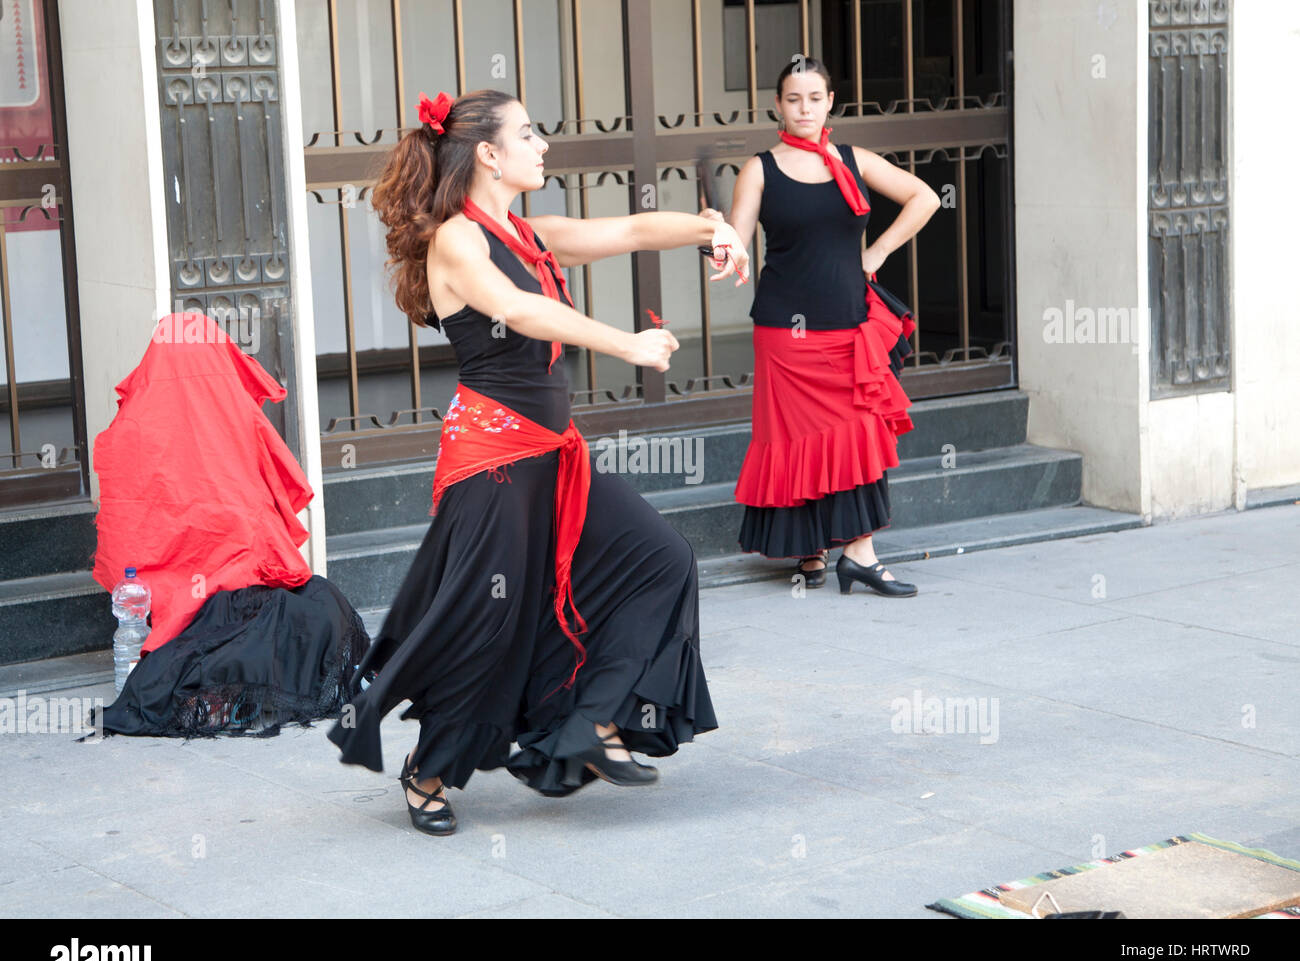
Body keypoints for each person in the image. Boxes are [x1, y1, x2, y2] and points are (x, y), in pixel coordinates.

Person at [326, 88, 745, 836]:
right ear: (488, 153)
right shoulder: (459, 240)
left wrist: (710, 228)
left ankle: (589, 722)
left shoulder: (530, 234)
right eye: (528, 132)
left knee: (661, 559)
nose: (543, 144)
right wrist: (626, 343)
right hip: (492, 463)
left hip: (554, 455)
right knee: (487, 623)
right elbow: (518, 313)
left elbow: (627, 227)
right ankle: (428, 770)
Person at [720, 57, 940, 596]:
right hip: (784, 333)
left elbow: (925, 197)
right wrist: (722, 246)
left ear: (830, 102)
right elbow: (737, 239)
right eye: (793, 99)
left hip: (847, 323)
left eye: (814, 98)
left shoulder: (854, 159)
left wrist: (879, 251)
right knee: (795, 440)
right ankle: (814, 551)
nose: (804, 109)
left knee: (856, 434)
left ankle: (858, 554)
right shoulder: (760, 169)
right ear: (778, 106)